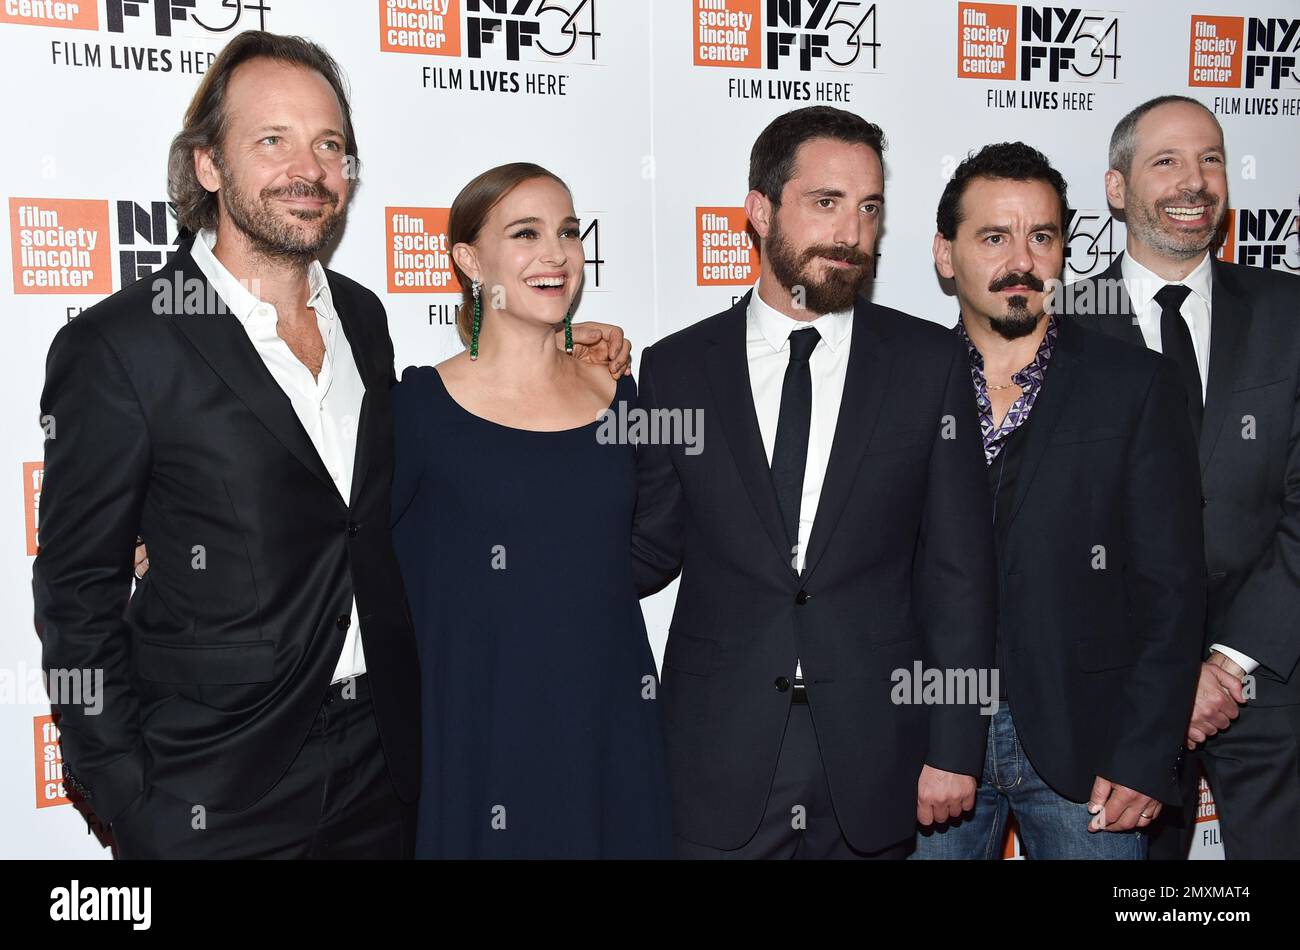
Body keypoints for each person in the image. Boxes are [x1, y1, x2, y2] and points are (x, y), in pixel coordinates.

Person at [34, 32, 628, 859]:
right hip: (213, 785)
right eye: (271, 139)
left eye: (329, 144)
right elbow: (74, 592)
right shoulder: (123, 345)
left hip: (383, 769)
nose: (308, 168)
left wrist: (568, 360)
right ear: (208, 165)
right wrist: (124, 798)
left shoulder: (364, 318)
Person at [632, 106, 998, 859]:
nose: (852, 233)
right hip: (718, 748)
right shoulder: (677, 367)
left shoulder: (927, 365)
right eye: (826, 203)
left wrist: (957, 744)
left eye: (870, 209)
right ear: (760, 212)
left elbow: (959, 573)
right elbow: (649, 549)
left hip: (877, 750)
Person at [910, 143, 1205, 860]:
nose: (1022, 260)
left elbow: (1173, 589)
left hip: (1092, 746)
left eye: (1042, 237)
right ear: (945, 255)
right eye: (994, 237)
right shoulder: (899, 384)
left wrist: (1145, 753)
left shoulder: (1133, 384)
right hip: (930, 741)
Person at [389, 163, 672, 859]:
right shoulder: (416, 410)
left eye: (569, 232)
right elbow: (364, 562)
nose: (556, 254)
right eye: (525, 233)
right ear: (467, 259)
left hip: (609, 726)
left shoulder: (620, 394)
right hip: (478, 736)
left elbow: (654, 546)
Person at [1070, 95, 1300, 859]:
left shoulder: (1288, 311)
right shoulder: (1059, 331)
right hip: (1119, 687)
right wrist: (1166, 677)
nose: (1193, 181)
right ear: (1116, 186)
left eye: (1210, 159)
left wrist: (1229, 662)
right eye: (1166, 160)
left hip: (1270, 673)